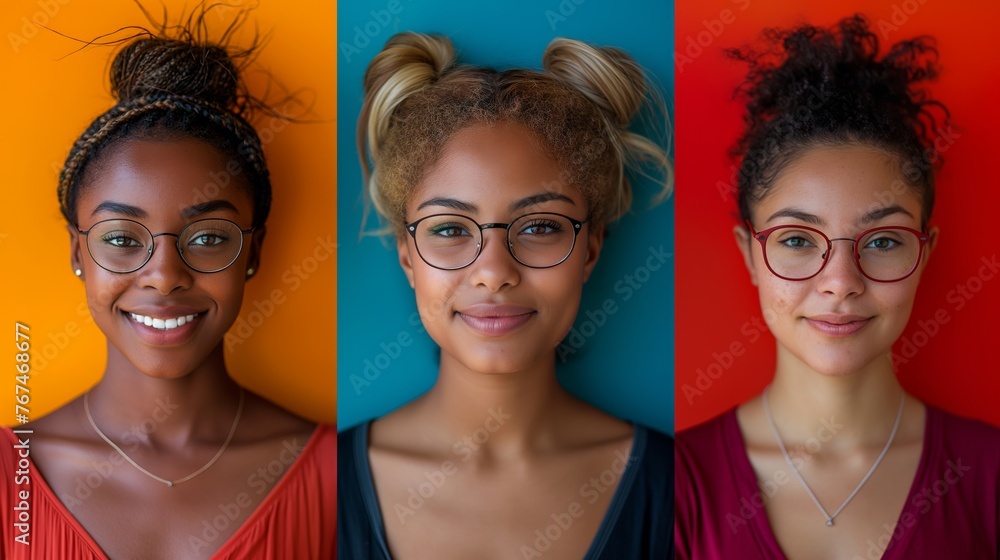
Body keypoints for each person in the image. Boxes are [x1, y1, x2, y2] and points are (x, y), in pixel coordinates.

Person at [0, 10, 335, 560]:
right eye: (122, 238)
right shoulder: (12, 477)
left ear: (253, 251)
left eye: (207, 238)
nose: (164, 275)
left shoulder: (334, 474)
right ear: (77, 250)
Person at [674, 15, 1000, 560]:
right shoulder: (674, 486)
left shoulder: (989, 474)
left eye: (883, 241)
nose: (841, 283)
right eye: (798, 240)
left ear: (925, 254)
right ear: (750, 255)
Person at [338, 32, 673, 559]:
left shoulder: (679, 490)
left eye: (540, 226)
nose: (494, 272)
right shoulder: (313, 486)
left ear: (590, 248)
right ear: (406, 254)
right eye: (450, 229)